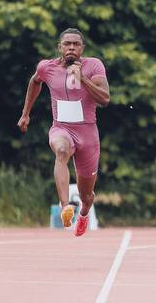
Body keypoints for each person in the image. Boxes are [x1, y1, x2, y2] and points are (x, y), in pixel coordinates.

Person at [18, 28, 110, 237]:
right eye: (67, 44)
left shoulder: (93, 66)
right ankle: (65, 206)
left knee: (86, 195)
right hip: (61, 128)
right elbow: (34, 82)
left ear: (82, 48)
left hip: (88, 134)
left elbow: (105, 99)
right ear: (59, 47)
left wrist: (83, 78)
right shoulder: (46, 67)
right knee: (60, 150)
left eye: (75, 44)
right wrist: (25, 114)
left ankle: (84, 214)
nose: (71, 47)